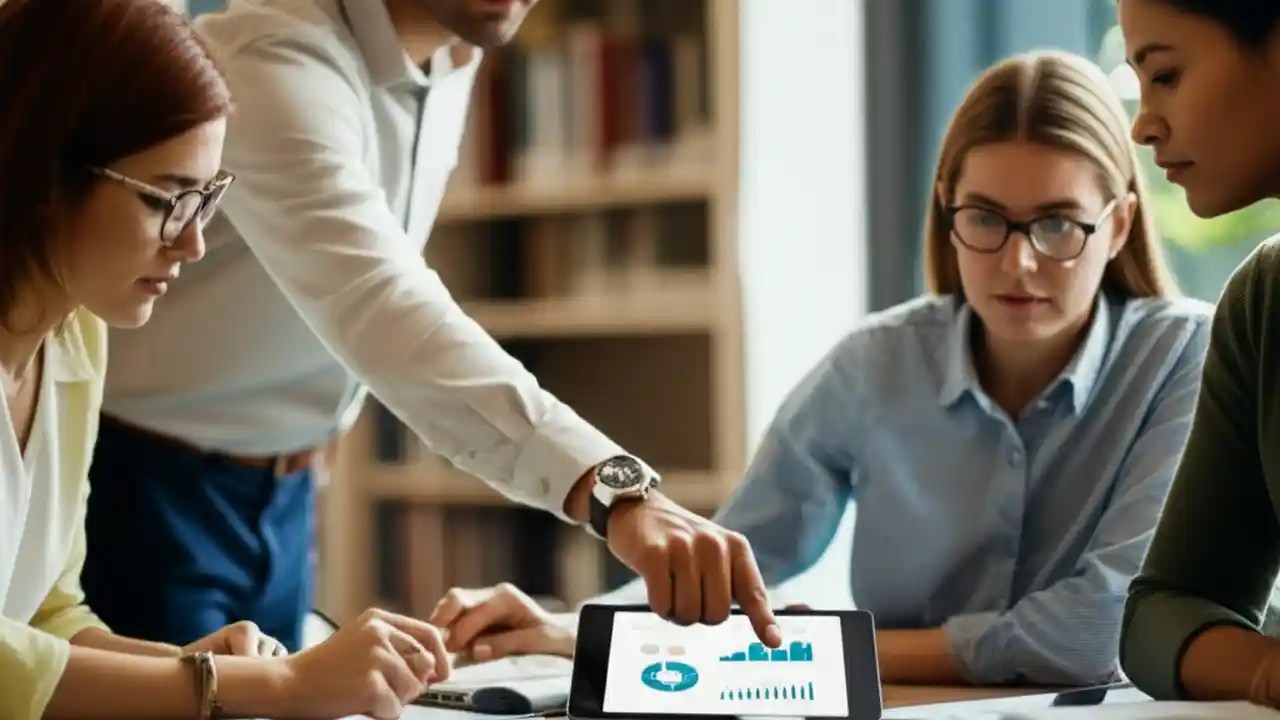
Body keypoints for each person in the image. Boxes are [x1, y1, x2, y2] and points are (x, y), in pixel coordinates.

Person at [428, 49, 1216, 688]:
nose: (1017, 261)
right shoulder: (876, 362)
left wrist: (839, 650)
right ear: (947, 208)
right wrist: (570, 626)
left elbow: (1097, 627)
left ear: (1116, 224)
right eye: (984, 219)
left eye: (1055, 224)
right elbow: (743, 553)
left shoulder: (1185, 356)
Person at [83, 0, 778, 654]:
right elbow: (385, 303)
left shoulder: (455, 53)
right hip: (146, 492)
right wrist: (615, 490)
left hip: (287, 493)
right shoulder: (273, 59)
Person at [0, 1, 473, 718]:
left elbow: (49, 618)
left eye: (205, 198)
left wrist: (194, 665)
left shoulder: (74, 338)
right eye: (167, 199)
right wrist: (271, 685)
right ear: (46, 172)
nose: (191, 243)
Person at [1114, 1, 1280, 708]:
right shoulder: (1264, 305)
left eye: (1168, 74)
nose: (1142, 124)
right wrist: (1267, 675)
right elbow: (1161, 613)